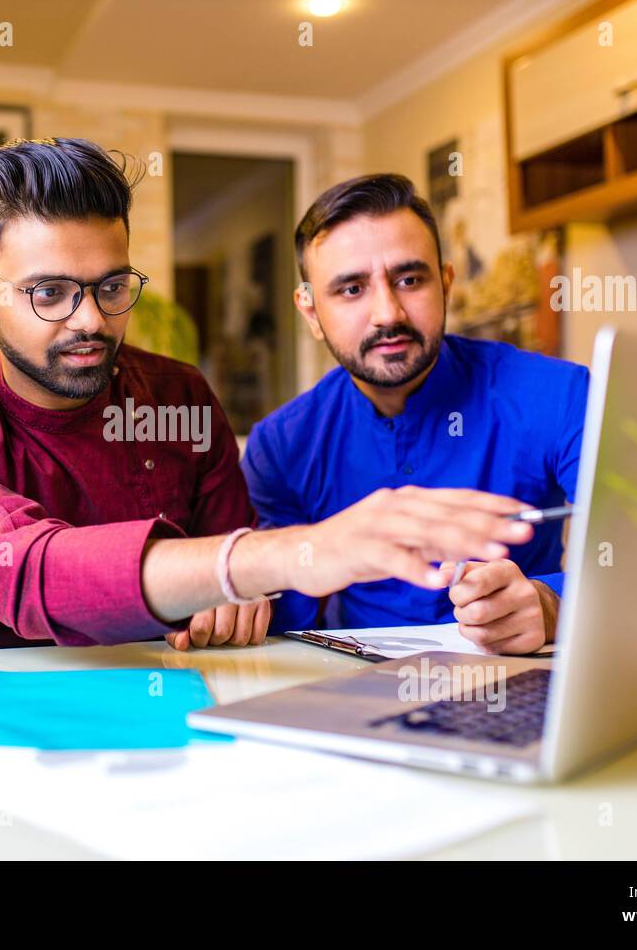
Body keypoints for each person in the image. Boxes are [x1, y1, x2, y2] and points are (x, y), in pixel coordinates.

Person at [0, 140, 538, 653]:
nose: (88, 320)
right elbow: (26, 569)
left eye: (111, 287)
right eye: (49, 293)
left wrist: (242, 597)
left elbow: (239, 573)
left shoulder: (178, 396)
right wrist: (292, 554)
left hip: (180, 705)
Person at [243, 174, 588, 655]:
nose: (388, 313)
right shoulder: (281, 448)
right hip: (350, 693)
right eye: (350, 289)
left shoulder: (557, 395)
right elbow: (279, 619)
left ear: (445, 282)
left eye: (409, 280)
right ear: (310, 312)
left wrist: (554, 604)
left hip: (521, 678)